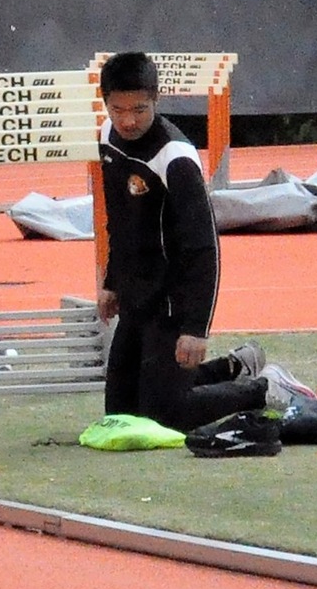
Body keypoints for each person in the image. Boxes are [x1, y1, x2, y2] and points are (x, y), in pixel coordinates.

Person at [94, 51, 268, 432]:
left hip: (172, 304)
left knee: (163, 416)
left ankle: (264, 390)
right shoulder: (108, 138)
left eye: (139, 109)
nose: (127, 120)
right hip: (137, 298)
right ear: (104, 101)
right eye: (117, 109)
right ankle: (231, 368)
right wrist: (110, 282)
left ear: (156, 99)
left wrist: (196, 329)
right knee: (120, 414)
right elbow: (118, 220)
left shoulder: (176, 159)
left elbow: (205, 247)